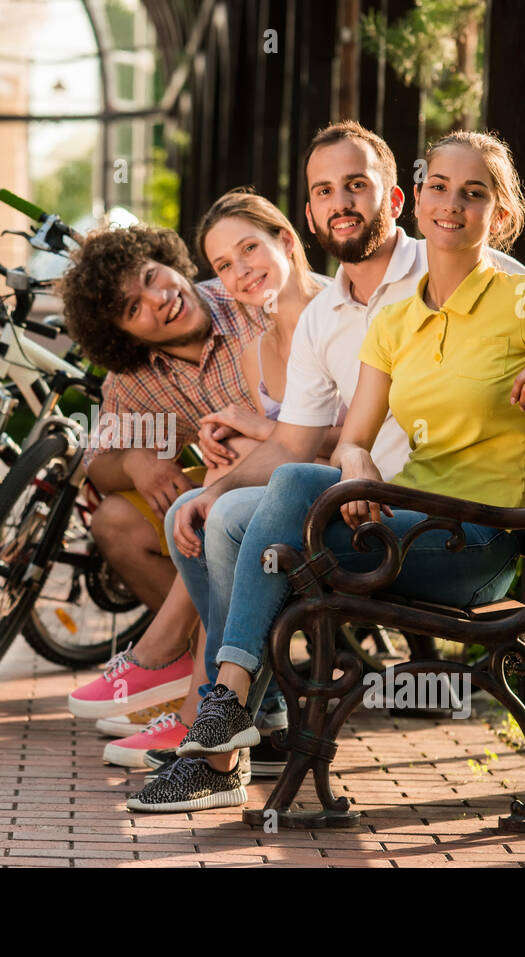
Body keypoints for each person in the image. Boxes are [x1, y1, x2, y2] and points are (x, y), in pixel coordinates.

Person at [124, 122, 525, 814]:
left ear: (496, 213)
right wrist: (354, 461)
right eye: (442, 187)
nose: (452, 205)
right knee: (263, 495)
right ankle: (239, 711)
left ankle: (222, 725)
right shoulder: (393, 320)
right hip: (397, 516)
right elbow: (335, 440)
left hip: (477, 538)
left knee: (276, 503)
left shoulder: (511, 290)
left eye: (472, 194)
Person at [66, 189, 340, 772]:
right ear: (124, 335)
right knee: (122, 515)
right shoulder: (136, 374)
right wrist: (139, 460)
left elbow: (306, 433)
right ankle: (210, 686)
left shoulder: (247, 300)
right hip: (256, 489)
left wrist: (242, 447)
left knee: (214, 506)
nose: (160, 299)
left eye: (152, 275)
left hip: (301, 490)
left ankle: (187, 686)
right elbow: (97, 459)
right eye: (134, 307)